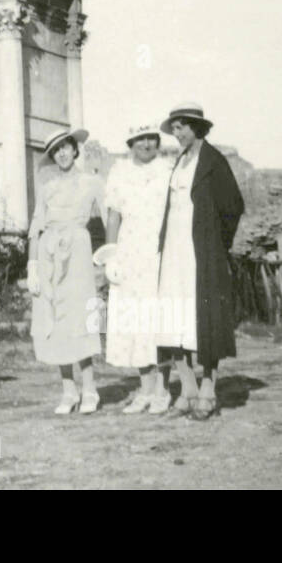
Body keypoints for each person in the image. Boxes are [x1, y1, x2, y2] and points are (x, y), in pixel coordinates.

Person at [156, 103, 245, 421]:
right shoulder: (179, 163)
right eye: (174, 128)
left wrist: (216, 242)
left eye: (181, 127)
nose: (176, 133)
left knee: (204, 317)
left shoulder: (213, 162)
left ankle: (208, 388)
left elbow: (233, 205)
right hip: (174, 250)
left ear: (197, 127)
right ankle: (187, 389)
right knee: (174, 316)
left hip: (201, 252)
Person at [27, 127, 104, 414]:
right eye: (55, 150)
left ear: (75, 149)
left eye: (65, 147)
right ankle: (68, 390)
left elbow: (111, 218)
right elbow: (36, 225)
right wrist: (32, 265)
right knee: (55, 318)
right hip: (49, 253)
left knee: (79, 316)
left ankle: (90, 389)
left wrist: (111, 256)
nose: (61, 154)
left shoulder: (91, 182)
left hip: (78, 252)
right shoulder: (47, 186)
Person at [102, 124, 173, 413]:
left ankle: (163, 390)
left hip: (160, 253)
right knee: (136, 322)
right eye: (140, 139)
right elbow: (114, 216)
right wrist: (111, 256)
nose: (146, 144)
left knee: (159, 320)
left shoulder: (168, 169)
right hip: (130, 253)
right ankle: (144, 389)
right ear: (131, 142)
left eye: (151, 139)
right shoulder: (119, 172)